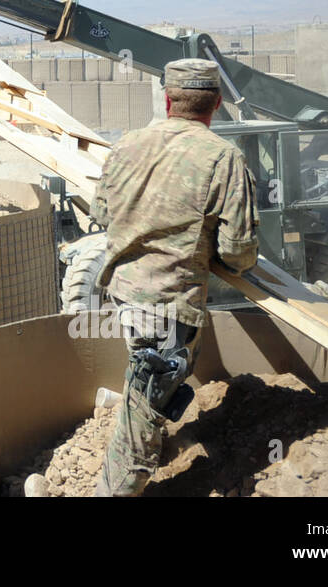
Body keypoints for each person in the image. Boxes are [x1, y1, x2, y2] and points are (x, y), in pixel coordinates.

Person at [87, 58, 258, 496]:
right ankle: (118, 486)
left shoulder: (126, 144)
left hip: (124, 295)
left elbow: (102, 214)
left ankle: (143, 434)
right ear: (217, 104)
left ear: (167, 100)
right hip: (168, 306)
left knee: (147, 389)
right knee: (147, 402)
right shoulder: (223, 157)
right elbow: (239, 254)